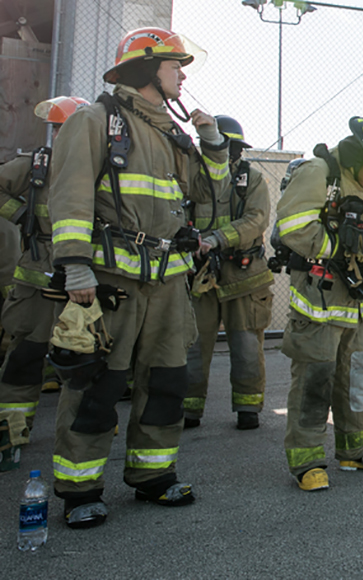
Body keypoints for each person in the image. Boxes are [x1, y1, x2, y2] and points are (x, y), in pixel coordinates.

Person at [47, 27, 229, 527]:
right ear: (148, 68)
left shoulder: (173, 134)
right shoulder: (96, 120)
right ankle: (80, 490)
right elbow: (69, 195)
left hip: (169, 283)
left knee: (167, 381)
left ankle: (153, 476)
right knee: (96, 386)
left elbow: (211, 196)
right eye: (175, 65)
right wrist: (76, 264)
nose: (182, 74)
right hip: (112, 282)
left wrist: (212, 144)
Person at [276, 116, 363, 490]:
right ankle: (306, 461)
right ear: (357, 155)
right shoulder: (319, 173)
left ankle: (359, 449)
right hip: (320, 298)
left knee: (359, 378)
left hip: (359, 303)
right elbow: (294, 227)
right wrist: (344, 249)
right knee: (315, 380)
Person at [0, 97, 87, 439]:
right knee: (25, 356)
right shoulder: (37, 165)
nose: (60, 134)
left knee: (84, 360)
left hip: (84, 280)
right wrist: (19, 214)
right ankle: (12, 432)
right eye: (56, 128)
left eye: (66, 128)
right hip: (37, 281)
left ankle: (83, 438)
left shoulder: (103, 169)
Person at [183, 115, 274, 430]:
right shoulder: (192, 179)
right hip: (200, 277)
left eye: (233, 147)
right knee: (193, 344)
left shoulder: (252, 179)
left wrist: (216, 239)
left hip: (244, 277)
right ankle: (189, 410)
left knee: (246, 344)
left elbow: (257, 220)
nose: (229, 153)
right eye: (224, 146)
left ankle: (248, 409)